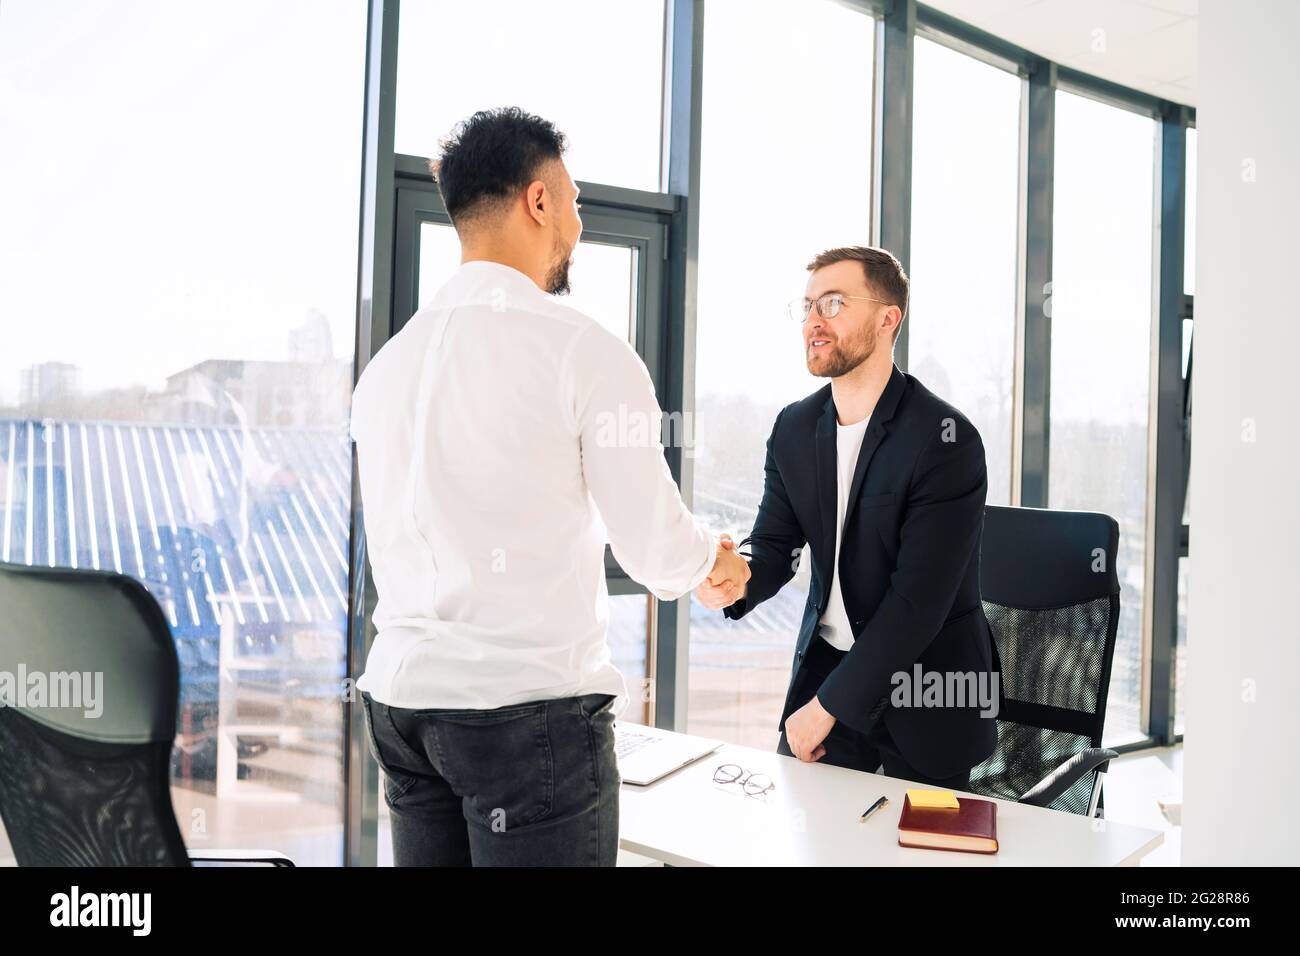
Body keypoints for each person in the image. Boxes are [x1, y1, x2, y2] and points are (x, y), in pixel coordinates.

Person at [350, 107, 749, 866]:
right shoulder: (581, 350)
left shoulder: (388, 367)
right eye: (571, 201)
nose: (577, 222)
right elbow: (656, 548)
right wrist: (716, 562)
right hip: (523, 720)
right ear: (538, 201)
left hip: (404, 711)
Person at [696, 246, 996, 789]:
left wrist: (827, 705)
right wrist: (739, 574)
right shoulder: (794, 428)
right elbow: (774, 542)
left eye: (833, 302)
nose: (814, 318)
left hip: (927, 691)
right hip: (827, 671)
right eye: (808, 304)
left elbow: (916, 606)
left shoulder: (944, 441)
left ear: (888, 319)